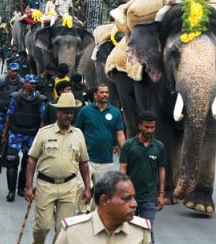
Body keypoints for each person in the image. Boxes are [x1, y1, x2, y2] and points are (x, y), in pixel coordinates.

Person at [25, 92, 92, 244]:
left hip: (69, 186)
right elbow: (32, 160)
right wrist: (28, 186)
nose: (69, 115)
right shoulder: (44, 133)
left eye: (71, 112)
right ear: (57, 113)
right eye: (66, 112)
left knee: (63, 229)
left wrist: (87, 188)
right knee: (42, 226)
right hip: (45, 186)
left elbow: (83, 162)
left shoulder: (78, 134)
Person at [56, 171, 151, 244]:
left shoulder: (141, 230)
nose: (134, 204)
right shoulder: (72, 231)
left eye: (133, 197)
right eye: (126, 198)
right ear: (104, 200)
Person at [75, 84, 126, 213]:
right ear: (95, 95)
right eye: (102, 92)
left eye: (107, 92)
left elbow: (120, 133)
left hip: (106, 160)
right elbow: (77, 132)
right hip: (86, 159)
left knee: (101, 192)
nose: (105, 95)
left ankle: (93, 215)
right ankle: (82, 216)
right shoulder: (85, 111)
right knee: (82, 188)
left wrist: (125, 151)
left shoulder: (115, 112)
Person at [119, 110, 166, 243]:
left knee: (147, 230)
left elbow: (161, 170)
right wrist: (122, 192)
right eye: (147, 127)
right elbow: (122, 169)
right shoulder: (129, 145)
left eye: (152, 127)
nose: (150, 130)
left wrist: (161, 194)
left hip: (149, 197)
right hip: (130, 196)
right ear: (140, 126)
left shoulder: (159, 146)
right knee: (128, 230)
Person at [1, 74, 45, 201]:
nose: (33, 85)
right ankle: (11, 191)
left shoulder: (40, 100)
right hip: (15, 133)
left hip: (31, 134)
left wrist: (40, 138)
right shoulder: (16, 97)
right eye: (31, 83)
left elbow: (42, 121)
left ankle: (21, 188)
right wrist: (4, 134)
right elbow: (9, 116)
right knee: (11, 160)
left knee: (27, 163)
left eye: (34, 83)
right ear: (25, 83)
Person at [0, 62, 24, 166]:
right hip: (1, 111)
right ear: (8, 71)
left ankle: (6, 156)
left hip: (14, 113)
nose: (15, 73)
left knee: (11, 135)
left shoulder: (22, 83)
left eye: (17, 71)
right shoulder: (1, 81)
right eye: (13, 71)